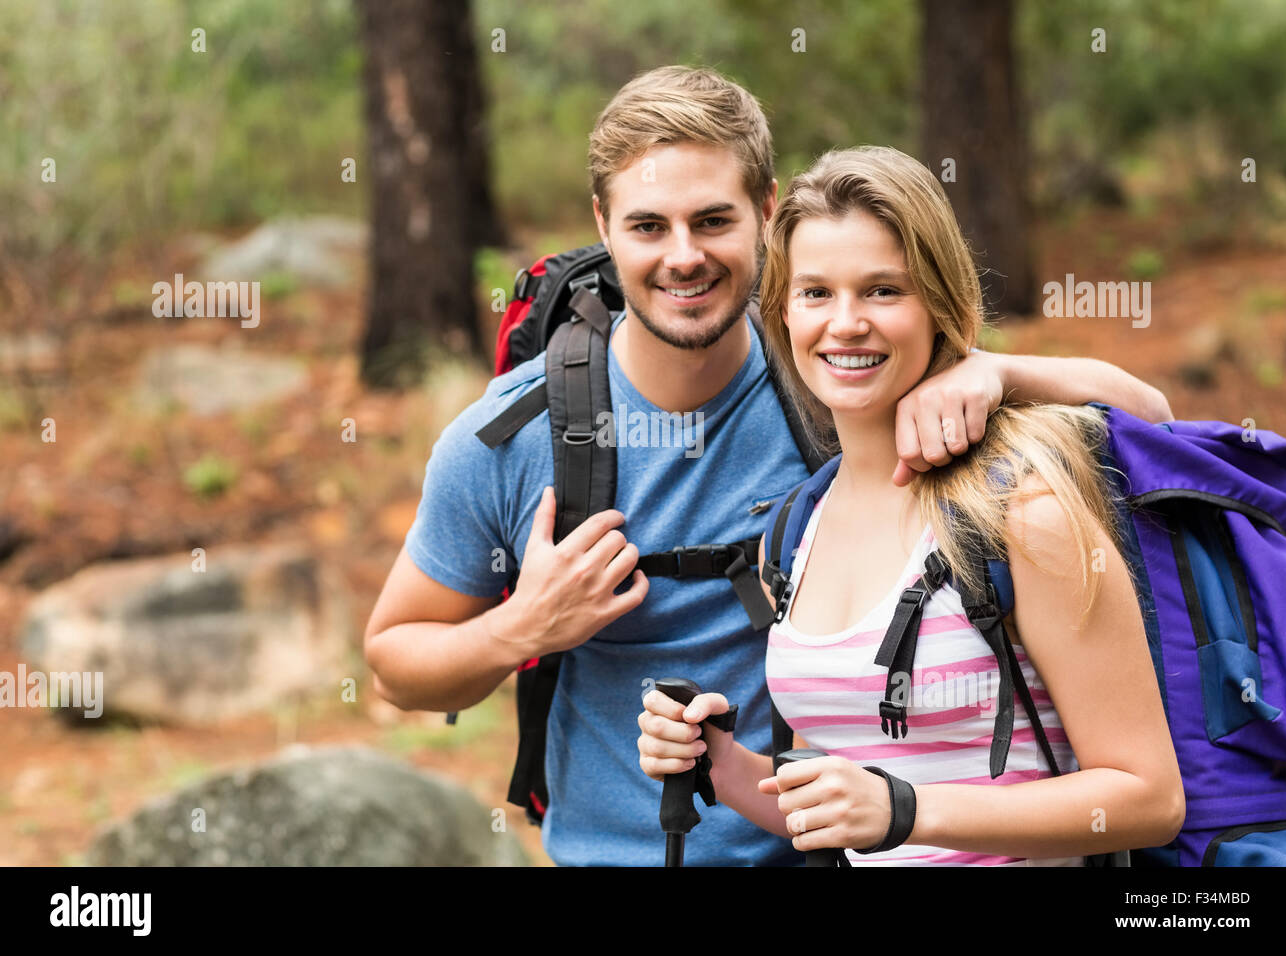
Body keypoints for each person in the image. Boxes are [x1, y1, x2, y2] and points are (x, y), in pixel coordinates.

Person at [366, 66, 1174, 867]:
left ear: (766, 211)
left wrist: (1000, 371)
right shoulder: (513, 437)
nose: (684, 257)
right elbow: (397, 667)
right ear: (603, 226)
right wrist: (522, 628)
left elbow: (1151, 425)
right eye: (649, 226)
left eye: (713, 220)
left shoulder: (838, 366)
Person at [636, 145, 1185, 865]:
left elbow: (1148, 797)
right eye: (816, 293)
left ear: (941, 306)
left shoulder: (1022, 514)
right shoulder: (798, 526)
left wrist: (905, 808)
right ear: (783, 313)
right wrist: (726, 765)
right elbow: (847, 802)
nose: (846, 323)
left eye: (883, 291)